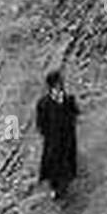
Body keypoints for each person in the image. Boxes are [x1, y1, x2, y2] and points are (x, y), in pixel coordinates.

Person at [35, 70, 79, 199]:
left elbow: (75, 113)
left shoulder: (68, 99)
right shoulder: (44, 103)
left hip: (67, 138)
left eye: (60, 85)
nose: (59, 88)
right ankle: (55, 187)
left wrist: (70, 125)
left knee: (67, 161)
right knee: (53, 163)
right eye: (56, 86)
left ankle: (64, 185)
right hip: (53, 140)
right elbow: (41, 122)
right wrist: (48, 134)